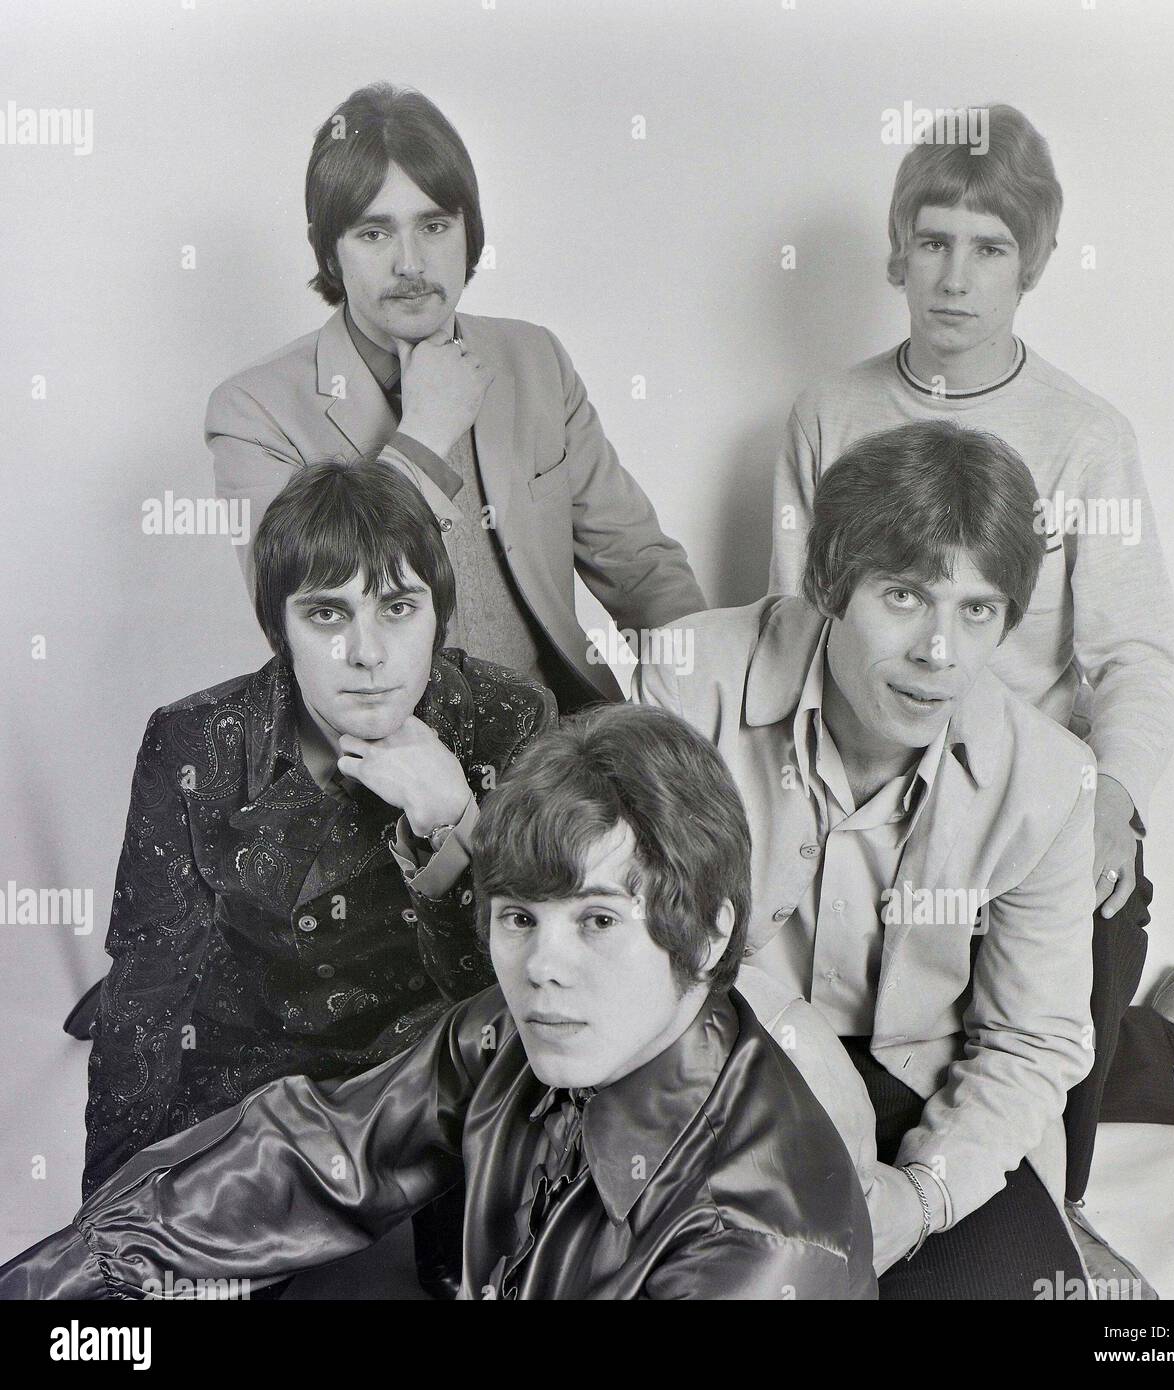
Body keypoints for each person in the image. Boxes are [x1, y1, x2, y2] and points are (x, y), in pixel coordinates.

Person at [1, 705, 876, 1301]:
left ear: (711, 933)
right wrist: (65, 1293)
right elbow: (307, 1155)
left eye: (599, 920)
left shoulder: (762, 1253)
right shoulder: (514, 1032)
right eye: (518, 917)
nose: (542, 967)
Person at [765, 105, 1174, 1245]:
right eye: (935, 241)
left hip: (1020, 803)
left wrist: (1107, 802)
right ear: (898, 250)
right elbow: (789, 630)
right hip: (864, 783)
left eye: (989, 248)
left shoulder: (1084, 436)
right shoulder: (825, 414)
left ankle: (1077, 1180)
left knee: (1054, 1030)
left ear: (1033, 264)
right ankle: (1172, 1033)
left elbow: (1138, 657)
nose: (955, 278)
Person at [638, 419, 1097, 1297]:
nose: (938, 651)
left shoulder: (1049, 778)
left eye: (976, 611)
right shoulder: (688, 681)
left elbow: (1027, 1040)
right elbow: (653, 945)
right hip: (716, 1062)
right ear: (828, 586)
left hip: (925, 1082)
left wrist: (921, 1197)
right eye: (903, 597)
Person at [83, 457, 554, 1293]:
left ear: (438, 615)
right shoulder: (195, 742)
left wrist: (452, 825)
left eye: (398, 608)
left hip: (425, 1067)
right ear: (280, 627)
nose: (367, 653)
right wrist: (109, 1224)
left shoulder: (505, 718)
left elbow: (518, 990)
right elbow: (147, 998)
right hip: (251, 1066)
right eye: (327, 613)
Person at [207, 81, 705, 713]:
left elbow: (636, 564)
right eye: (374, 233)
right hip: (384, 772)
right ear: (329, 252)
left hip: (561, 751)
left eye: (434, 225)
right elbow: (309, 613)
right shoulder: (253, 411)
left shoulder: (534, 360)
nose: (411, 263)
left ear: (470, 233)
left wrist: (711, 699)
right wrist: (426, 432)